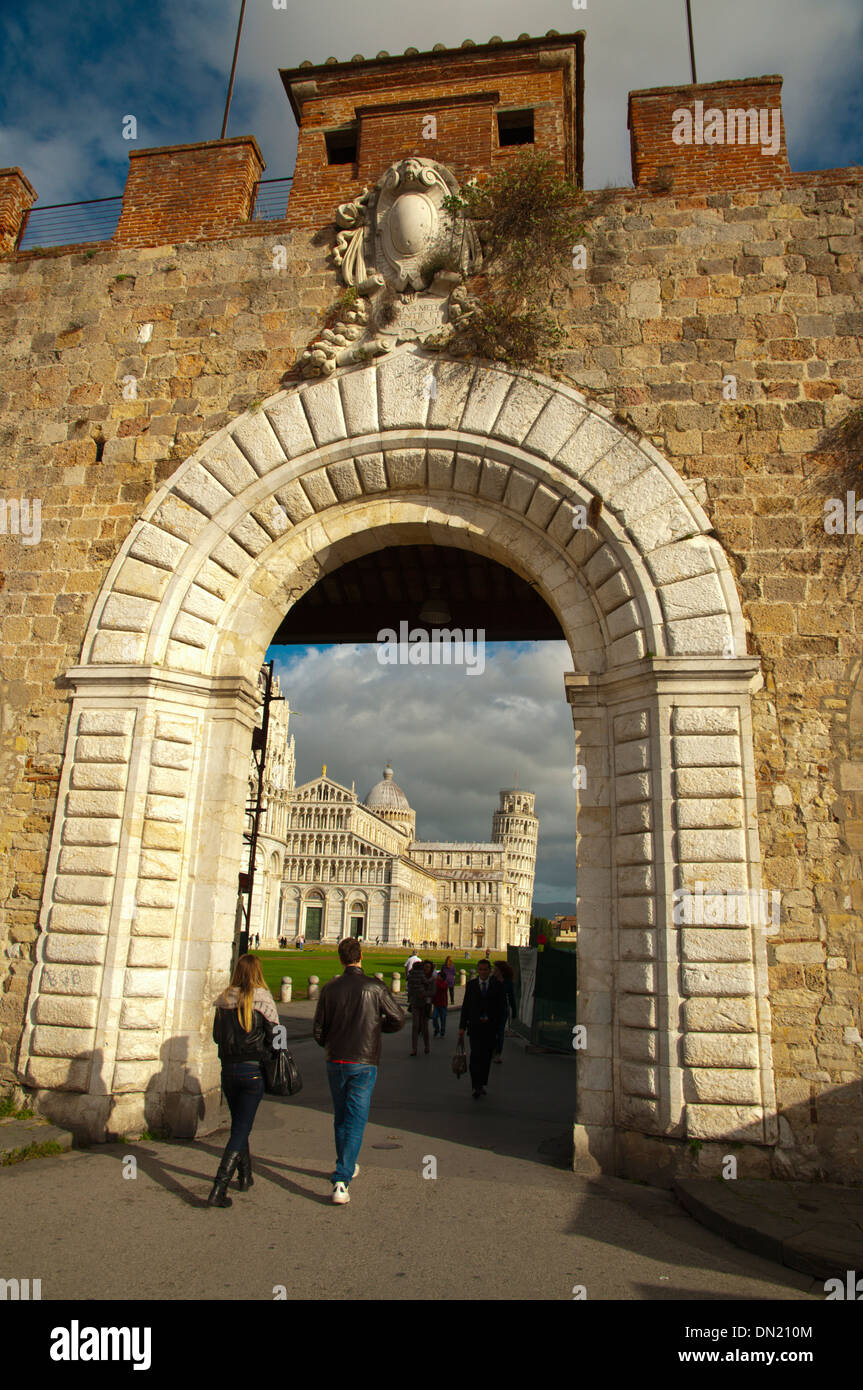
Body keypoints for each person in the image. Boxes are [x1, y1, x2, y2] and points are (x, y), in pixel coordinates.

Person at [313, 937, 406, 1204]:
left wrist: (330, 1044)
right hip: (364, 1061)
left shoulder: (330, 988)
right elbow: (398, 1018)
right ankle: (342, 1179)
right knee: (356, 1120)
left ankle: (346, 1162)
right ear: (361, 956)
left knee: (341, 1117)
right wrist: (376, 1030)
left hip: (336, 1060)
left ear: (340, 959)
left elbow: (318, 1030)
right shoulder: (374, 987)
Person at [208, 953, 279, 1207]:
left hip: (228, 1072)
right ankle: (219, 1186)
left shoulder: (224, 1001)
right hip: (252, 1073)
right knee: (240, 1128)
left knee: (240, 1123)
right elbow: (277, 1037)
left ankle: (245, 1175)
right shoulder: (264, 1001)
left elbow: (217, 1037)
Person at [458, 957, 505, 1099]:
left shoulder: (497, 985)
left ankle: (482, 1082)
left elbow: (501, 1008)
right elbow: (466, 1006)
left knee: (486, 1057)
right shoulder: (472, 985)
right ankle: (475, 1085)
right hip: (475, 1027)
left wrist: (498, 1027)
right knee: (475, 1056)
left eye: (485, 970)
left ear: (489, 971)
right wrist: (462, 1027)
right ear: (478, 971)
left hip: (490, 1027)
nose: (483, 972)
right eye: (480, 970)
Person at [407, 959, 435, 1055]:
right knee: (415, 1026)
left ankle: (427, 1046)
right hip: (415, 1002)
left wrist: (424, 994)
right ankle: (414, 1049)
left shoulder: (432, 979)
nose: (426, 969)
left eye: (428, 967)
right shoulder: (420, 976)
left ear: (431, 969)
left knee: (424, 1027)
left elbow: (433, 992)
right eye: (425, 967)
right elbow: (410, 988)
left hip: (426, 1004)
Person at [492, 960, 517, 1062]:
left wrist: (514, 1011)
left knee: (500, 1032)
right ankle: (493, 1051)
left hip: (503, 1010)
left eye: (495, 969)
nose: (493, 971)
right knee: (492, 1032)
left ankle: (498, 1053)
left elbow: (511, 997)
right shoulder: (492, 980)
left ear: (500, 971)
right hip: (492, 1010)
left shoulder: (508, 982)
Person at [432, 964, 449, 1038]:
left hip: (443, 1003)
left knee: (443, 1018)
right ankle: (437, 1028)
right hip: (436, 1003)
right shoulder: (436, 983)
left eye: (438, 976)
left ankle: (442, 1030)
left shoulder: (444, 984)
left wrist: (435, 982)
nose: (437, 977)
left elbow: (442, 988)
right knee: (434, 1017)